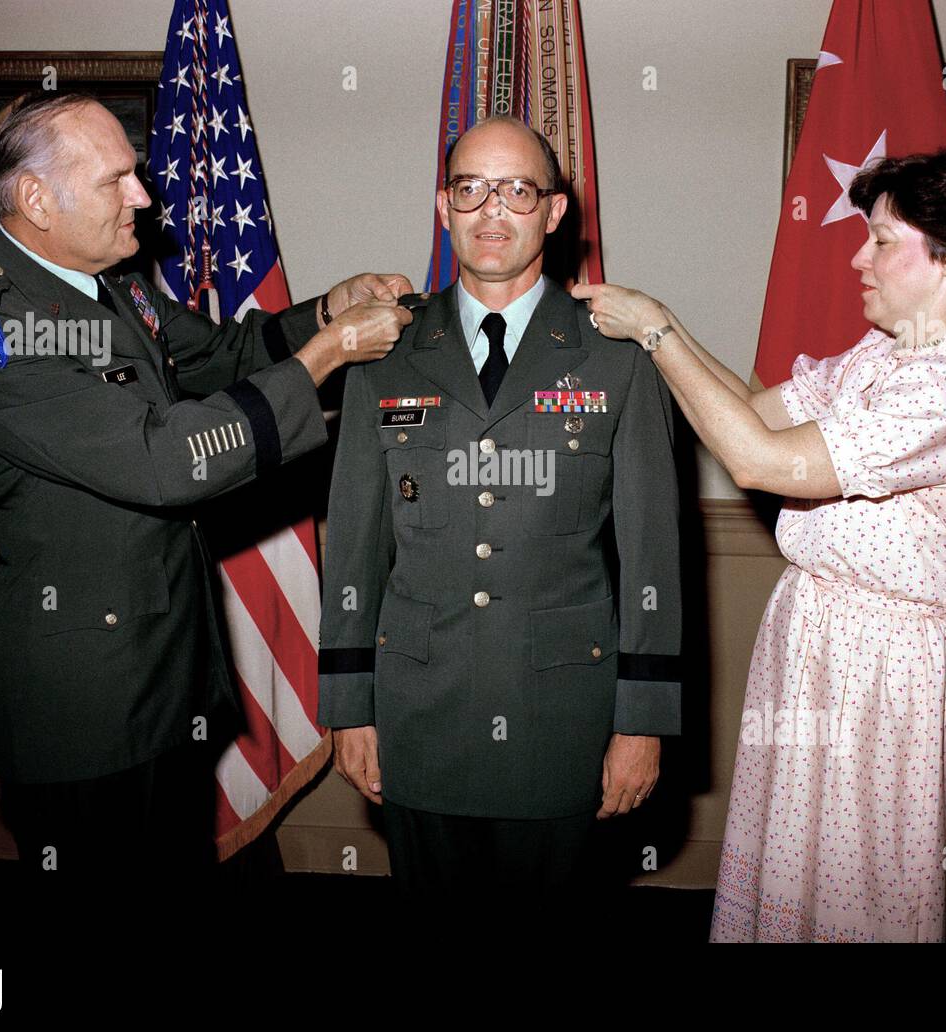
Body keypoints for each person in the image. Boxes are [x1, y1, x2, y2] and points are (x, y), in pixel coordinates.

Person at [0, 91, 413, 874]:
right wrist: (327, 357)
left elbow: (220, 356)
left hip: (165, 668)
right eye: (115, 180)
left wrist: (328, 311)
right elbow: (164, 461)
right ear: (37, 200)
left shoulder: (107, 283)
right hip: (86, 704)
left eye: (137, 174)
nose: (143, 198)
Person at [577, 148, 946, 941]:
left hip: (888, 666)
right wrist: (663, 324)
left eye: (882, 241)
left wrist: (653, 332)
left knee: (867, 891)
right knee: (799, 871)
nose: (859, 258)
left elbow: (759, 461)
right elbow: (756, 412)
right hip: (818, 636)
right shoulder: (887, 351)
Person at [317, 116, 681, 923]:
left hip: (562, 715)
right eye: (470, 188)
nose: (491, 210)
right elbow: (355, 549)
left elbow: (653, 557)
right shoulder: (383, 351)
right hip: (420, 712)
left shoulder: (617, 354)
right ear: (442, 205)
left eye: (517, 190)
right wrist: (349, 706)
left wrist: (644, 724)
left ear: (554, 211)